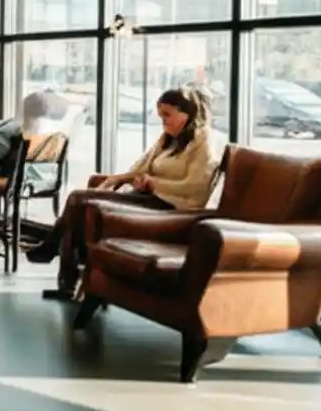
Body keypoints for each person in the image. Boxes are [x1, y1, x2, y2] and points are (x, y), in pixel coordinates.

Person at [28, 86, 218, 298]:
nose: (163, 121)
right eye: (160, 115)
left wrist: (154, 184)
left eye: (167, 115)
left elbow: (196, 186)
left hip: (172, 208)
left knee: (78, 200)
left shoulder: (203, 141)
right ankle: (65, 282)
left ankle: (51, 248)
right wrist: (118, 179)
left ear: (187, 114)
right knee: (80, 208)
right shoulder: (167, 139)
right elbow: (141, 168)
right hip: (148, 198)